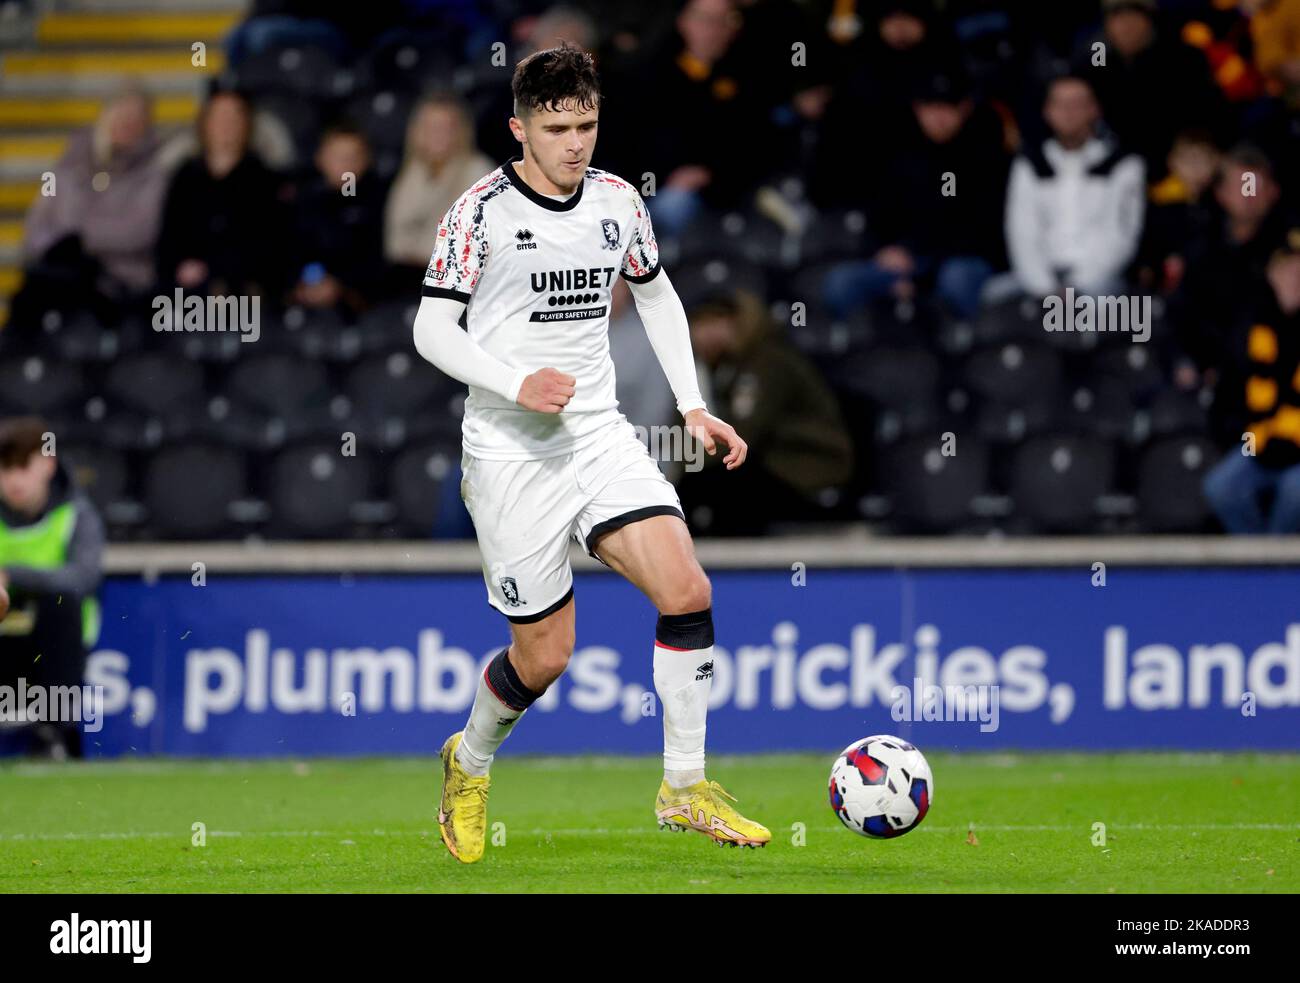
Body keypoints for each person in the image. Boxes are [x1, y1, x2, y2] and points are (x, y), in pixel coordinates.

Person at [411, 41, 770, 863]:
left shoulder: (618, 202)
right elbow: (431, 327)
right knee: (547, 656)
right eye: (558, 126)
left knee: (686, 587)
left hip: (600, 435)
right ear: (520, 129)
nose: (576, 142)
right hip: (510, 452)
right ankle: (467, 760)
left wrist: (694, 405)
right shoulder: (480, 212)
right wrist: (511, 381)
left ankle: (684, 786)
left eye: (587, 124)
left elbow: (655, 292)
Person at [0, 418, 105, 759]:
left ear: (47, 464)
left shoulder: (77, 516)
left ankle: (55, 733)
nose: (12, 480)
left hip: (52, 650)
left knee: (62, 604)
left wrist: (12, 575)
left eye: (22, 467)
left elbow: (83, 579)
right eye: (3, 469)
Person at [1001, 74, 1145, 299]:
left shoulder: (1123, 164)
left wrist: (1075, 287)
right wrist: (1046, 288)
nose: (1068, 112)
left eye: (1077, 104)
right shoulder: (1029, 163)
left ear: (1094, 109)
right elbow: (1021, 233)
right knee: (993, 299)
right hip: (1038, 283)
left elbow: (1120, 237)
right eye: (1060, 104)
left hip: (1100, 283)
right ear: (1047, 111)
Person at [1202, 237, 1300, 531]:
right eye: (1287, 271)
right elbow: (1230, 395)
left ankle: (1279, 562)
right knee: (1220, 486)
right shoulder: (1252, 324)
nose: (1293, 279)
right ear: (1272, 274)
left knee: (1296, 491)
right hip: (1259, 445)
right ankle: (1253, 558)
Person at [383, 93, 494, 287]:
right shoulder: (410, 173)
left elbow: (471, 243)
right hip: (406, 277)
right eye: (430, 127)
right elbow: (394, 242)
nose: (437, 135)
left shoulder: (479, 172)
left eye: (446, 127)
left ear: (461, 131)